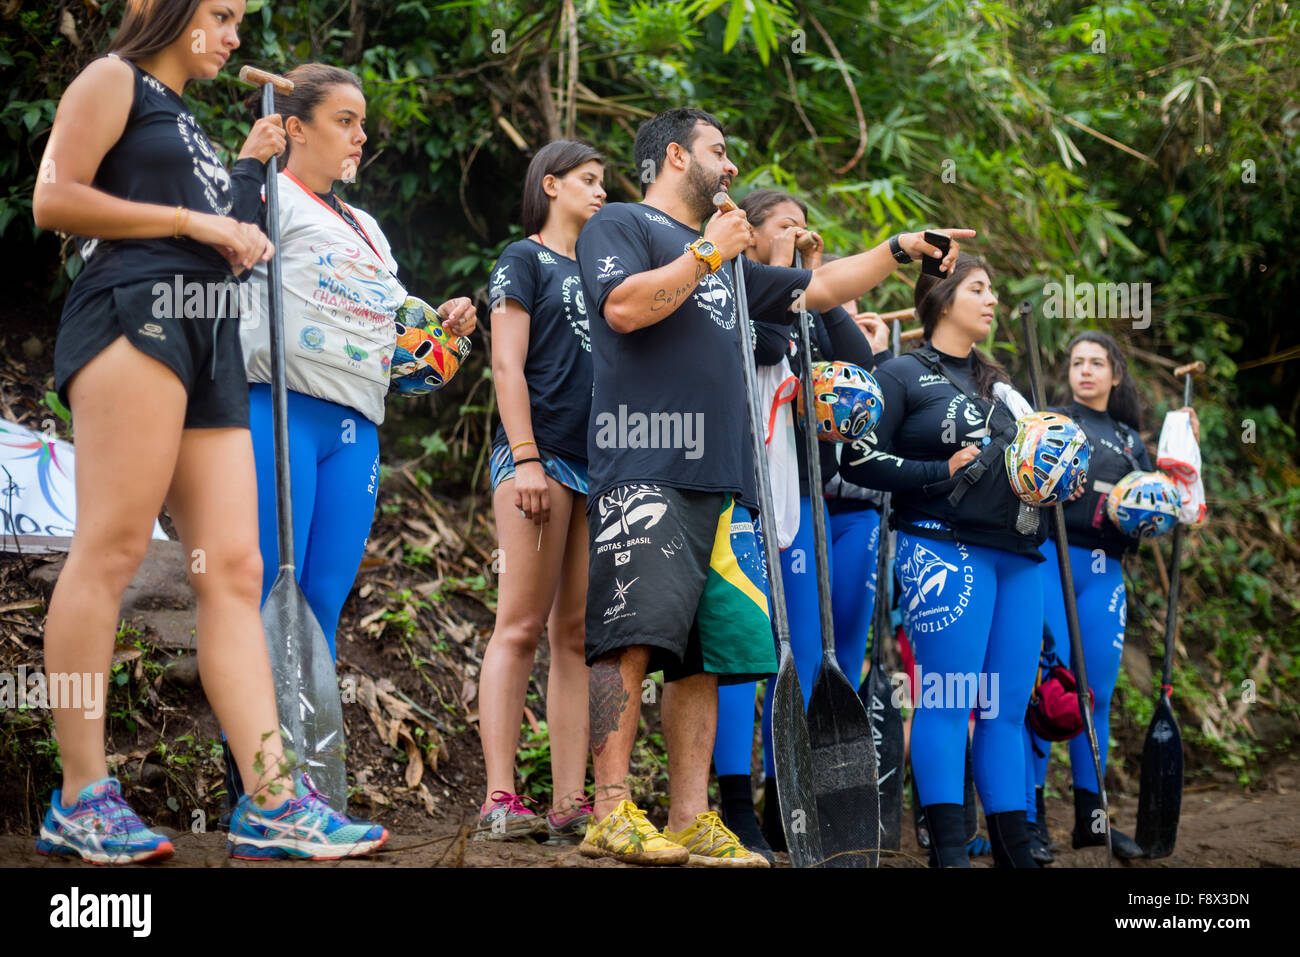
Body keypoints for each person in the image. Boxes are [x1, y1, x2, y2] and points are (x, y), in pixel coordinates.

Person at [31, 0, 386, 863]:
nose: (234, 37)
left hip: (211, 333)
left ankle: (270, 800)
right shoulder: (114, 80)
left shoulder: (190, 123)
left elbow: (222, 222)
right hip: (134, 311)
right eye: (221, 16)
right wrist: (198, 224)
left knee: (235, 567)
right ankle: (81, 794)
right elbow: (54, 200)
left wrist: (230, 218)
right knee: (111, 548)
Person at [574, 106, 969, 866]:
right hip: (647, 468)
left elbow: (818, 290)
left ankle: (690, 818)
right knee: (628, 637)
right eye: (717, 151)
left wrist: (897, 248)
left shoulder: (733, 266)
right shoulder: (620, 226)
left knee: (706, 655)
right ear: (672, 159)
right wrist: (706, 253)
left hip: (727, 487)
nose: (729, 167)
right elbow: (622, 309)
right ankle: (611, 809)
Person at [227, 62, 476, 809]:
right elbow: (220, 251)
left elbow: (396, 324)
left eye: (363, 123)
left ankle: (312, 792)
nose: (361, 136)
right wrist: (248, 161)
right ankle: (260, 794)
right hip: (279, 407)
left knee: (321, 603)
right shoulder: (265, 195)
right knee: (274, 595)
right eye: (345, 120)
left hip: (356, 426)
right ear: (295, 126)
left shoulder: (367, 227)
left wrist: (445, 325)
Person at [840, 253, 1043, 867]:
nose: (991, 301)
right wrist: (939, 468)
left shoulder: (1005, 387)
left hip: (1019, 553)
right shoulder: (899, 373)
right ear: (944, 298)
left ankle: (1015, 850)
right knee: (949, 699)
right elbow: (857, 460)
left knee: (1004, 711)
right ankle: (949, 850)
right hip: (941, 543)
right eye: (979, 288)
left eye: (993, 290)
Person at [709, 189, 891, 859]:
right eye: (783, 224)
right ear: (748, 233)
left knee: (807, 653)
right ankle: (731, 804)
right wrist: (787, 267)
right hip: (739, 493)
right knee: (744, 656)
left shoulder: (806, 302)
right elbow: (763, 347)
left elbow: (860, 366)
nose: (799, 233)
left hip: (797, 500)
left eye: (802, 225)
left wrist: (824, 282)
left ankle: (793, 798)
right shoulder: (728, 286)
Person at [1023, 330, 1199, 863]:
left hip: (1105, 574)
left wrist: (1181, 450)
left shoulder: (1129, 441)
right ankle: (1028, 823)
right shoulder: (1051, 422)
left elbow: (1164, 509)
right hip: (1050, 563)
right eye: (1077, 362)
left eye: (1097, 363)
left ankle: (1091, 821)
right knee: (1049, 689)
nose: (1085, 371)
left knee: (1092, 695)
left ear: (1115, 375)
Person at [474, 140, 605, 843]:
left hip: (594, 467)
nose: (600, 192)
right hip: (539, 458)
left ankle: (567, 801)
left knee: (575, 635)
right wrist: (525, 456)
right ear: (549, 185)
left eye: (604, 182)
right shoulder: (522, 260)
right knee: (520, 623)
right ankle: (500, 795)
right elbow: (505, 360)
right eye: (588, 180)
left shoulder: (599, 269)